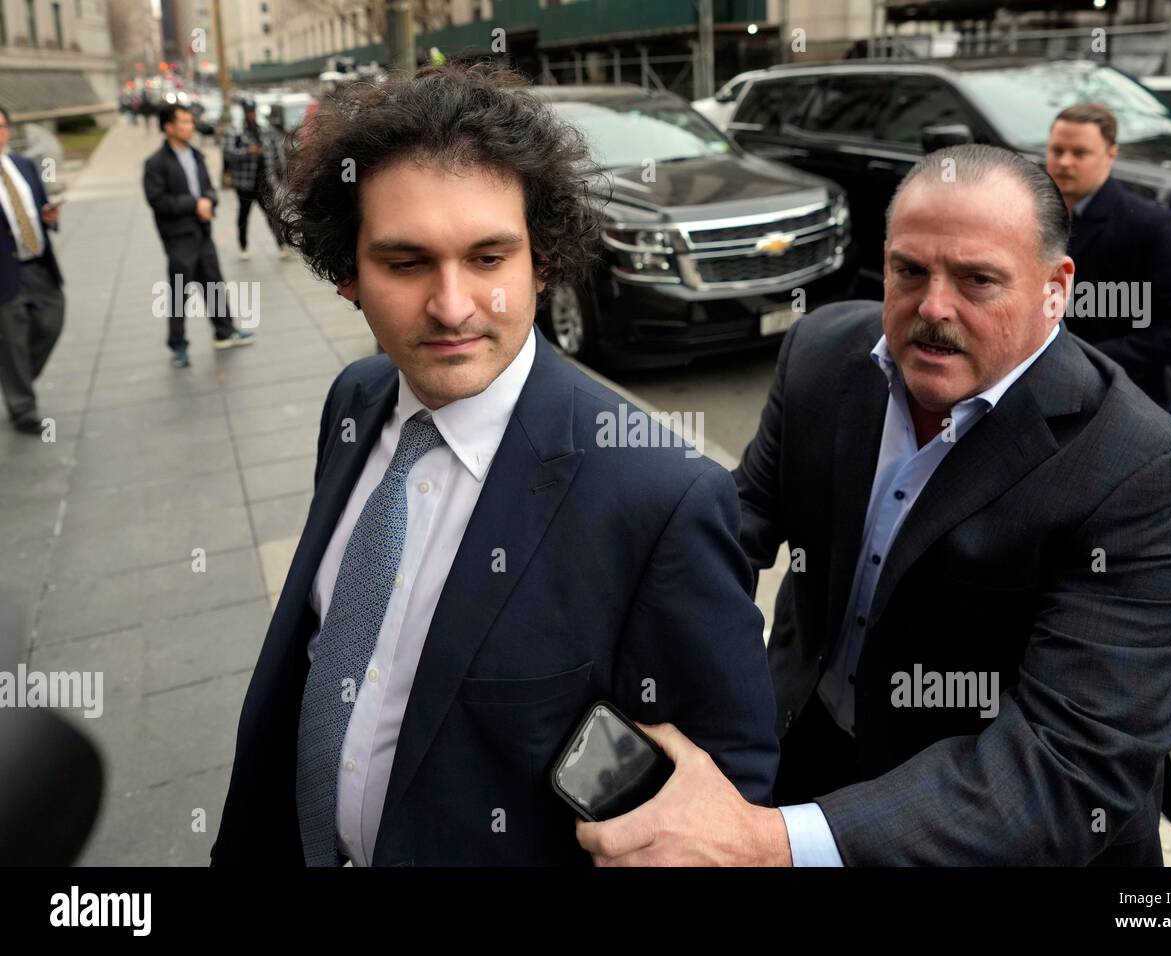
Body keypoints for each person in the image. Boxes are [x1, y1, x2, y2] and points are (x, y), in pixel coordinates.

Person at [576, 145, 1171, 866]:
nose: (933, 308)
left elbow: (1068, 766)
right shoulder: (822, 351)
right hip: (800, 742)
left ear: (1056, 286)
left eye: (978, 280)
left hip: (991, 825)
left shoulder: (1146, 472)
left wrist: (770, 843)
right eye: (909, 271)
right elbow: (732, 529)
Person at [210, 61, 778, 867]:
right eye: (405, 264)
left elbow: (725, 799)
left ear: (540, 263)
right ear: (348, 275)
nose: (451, 306)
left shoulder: (661, 496)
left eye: (487, 259)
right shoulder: (356, 399)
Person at [1046, 102, 1171, 416]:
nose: (1064, 162)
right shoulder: (1036, 215)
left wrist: (1089, 359)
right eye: (1057, 150)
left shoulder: (1154, 227)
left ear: (1111, 155)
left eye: (1080, 153)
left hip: (1126, 402)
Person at [143, 103, 255, 368]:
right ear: (168, 127)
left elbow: (209, 189)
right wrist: (195, 204)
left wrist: (209, 201)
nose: (189, 126)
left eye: (190, 121)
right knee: (180, 294)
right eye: (183, 122)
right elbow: (157, 200)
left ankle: (224, 333)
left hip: (202, 233)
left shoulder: (196, 155)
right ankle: (178, 346)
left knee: (214, 282)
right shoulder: (156, 163)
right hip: (178, 237)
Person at [0, 105, 65, 435]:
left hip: (39, 265)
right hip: (5, 274)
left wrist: (48, 218)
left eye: (1, 126)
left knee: (52, 321)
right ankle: (22, 406)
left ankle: (16, 379)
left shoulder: (23, 166)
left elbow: (35, 208)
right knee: (12, 341)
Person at [222, 99, 288, 261]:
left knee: (272, 215)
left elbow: (276, 153)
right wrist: (248, 152)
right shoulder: (236, 132)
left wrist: (280, 173)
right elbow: (228, 153)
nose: (251, 115)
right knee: (244, 215)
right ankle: (243, 246)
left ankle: (281, 245)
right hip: (245, 182)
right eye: (248, 112)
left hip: (265, 181)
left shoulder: (265, 131)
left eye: (253, 111)